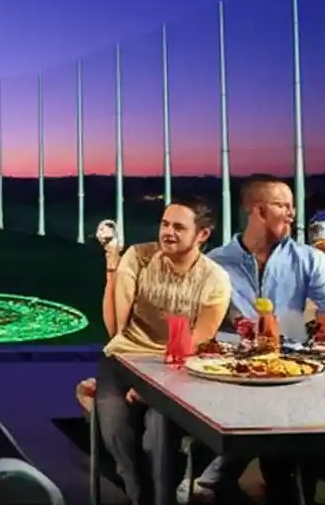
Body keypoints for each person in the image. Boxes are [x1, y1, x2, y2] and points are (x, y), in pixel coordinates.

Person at [198, 175, 325, 504]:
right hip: (230, 376)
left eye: (292, 206)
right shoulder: (213, 265)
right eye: (284, 205)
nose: (293, 214)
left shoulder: (311, 259)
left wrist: (320, 330)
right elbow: (201, 329)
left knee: (293, 442)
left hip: (293, 375)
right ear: (257, 210)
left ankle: (215, 478)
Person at [95, 196, 231, 505]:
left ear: (203, 235)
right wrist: (112, 269)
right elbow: (116, 326)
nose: (167, 232)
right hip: (124, 359)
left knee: (158, 432)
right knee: (116, 430)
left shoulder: (215, 279)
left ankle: (164, 498)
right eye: (165, 224)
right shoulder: (139, 257)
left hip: (176, 366)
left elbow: (199, 340)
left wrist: (154, 387)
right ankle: (137, 493)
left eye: (178, 227)